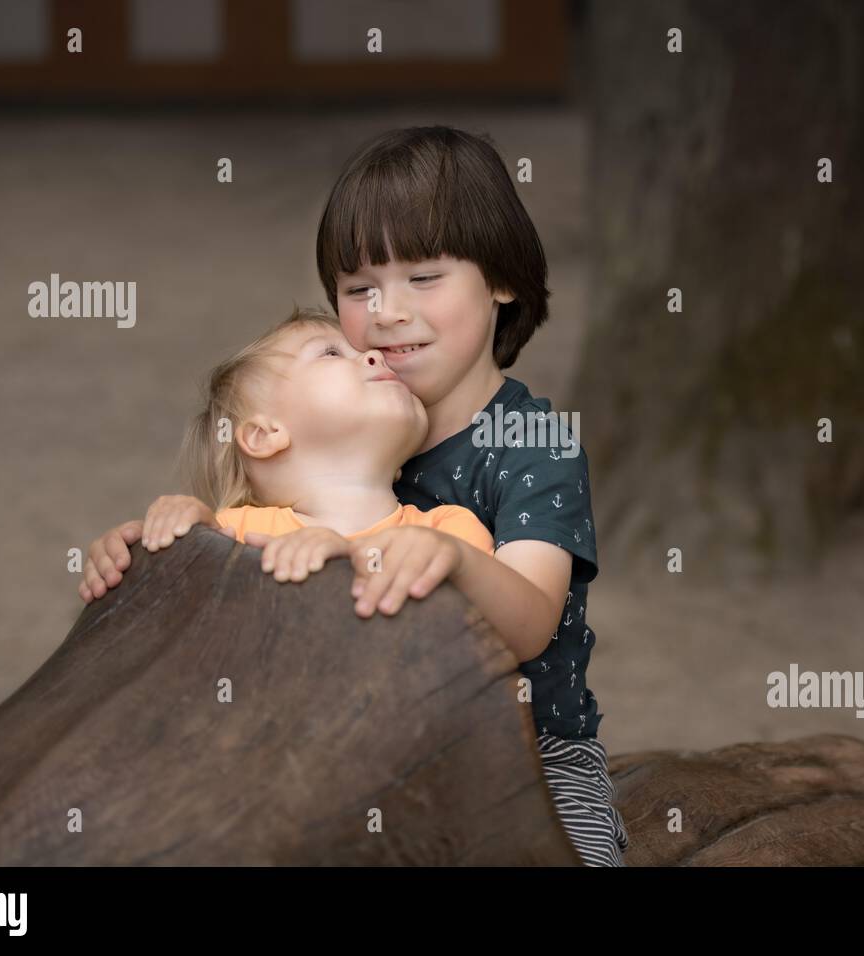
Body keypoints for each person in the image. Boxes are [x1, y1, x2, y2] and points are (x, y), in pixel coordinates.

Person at [79, 126, 629, 866]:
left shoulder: (536, 443)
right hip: (371, 742)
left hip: (529, 752)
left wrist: (446, 555)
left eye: (423, 277)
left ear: (501, 280)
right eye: (358, 288)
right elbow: (253, 538)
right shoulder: (356, 425)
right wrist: (163, 544)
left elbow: (532, 620)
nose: (386, 311)